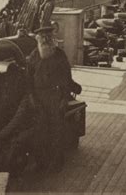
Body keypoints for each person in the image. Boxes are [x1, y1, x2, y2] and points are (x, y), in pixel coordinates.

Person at [27, 25, 81, 172]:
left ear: (52, 39)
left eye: (48, 38)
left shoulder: (60, 55)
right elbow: (28, 79)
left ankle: (56, 163)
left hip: (55, 97)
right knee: (39, 131)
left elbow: (66, 78)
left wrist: (64, 98)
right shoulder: (34, 56)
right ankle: (40, 163)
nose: (45, 41)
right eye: (42, 38)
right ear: (38, 40)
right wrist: (31, 98)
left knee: (56, 131)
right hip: (38, 98)